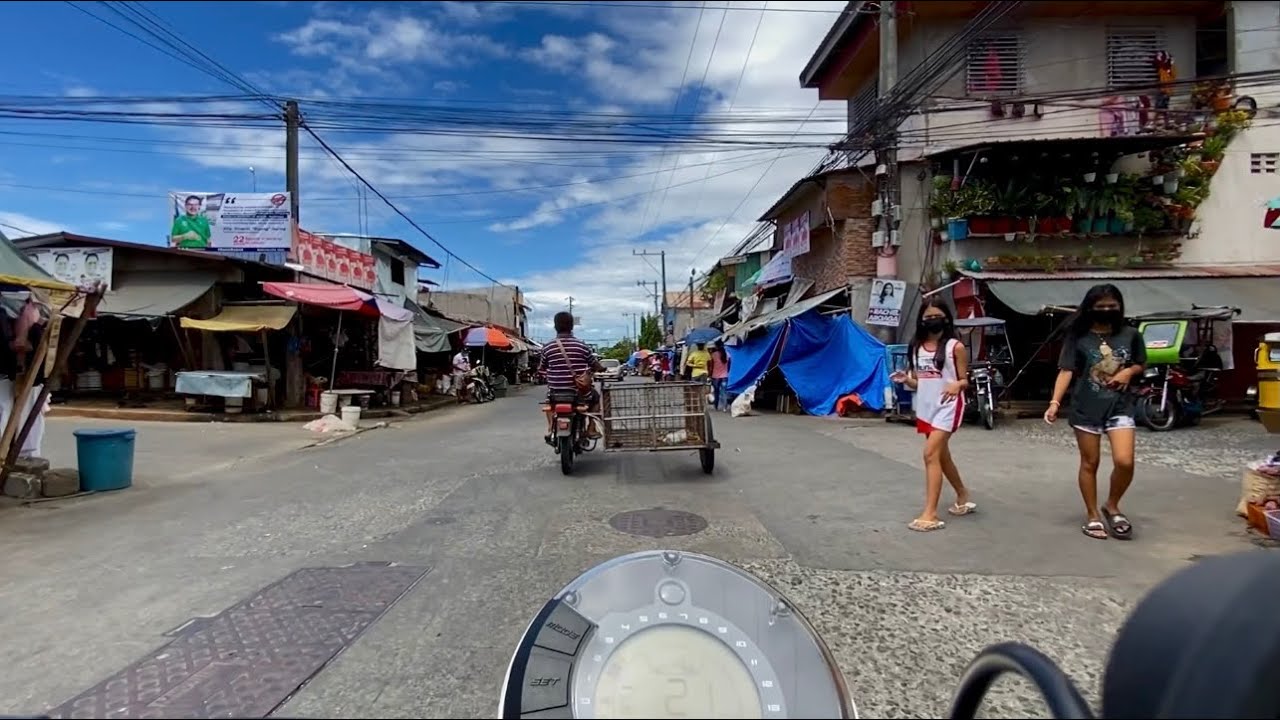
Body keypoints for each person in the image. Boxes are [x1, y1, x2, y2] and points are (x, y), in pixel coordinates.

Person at [1045, 283, 1146, 540]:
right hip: (1086, 408)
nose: (1107, 310)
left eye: (1112, 306)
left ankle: (1112, 505)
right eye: (1101, 306)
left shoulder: (1130, 334)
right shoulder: (1078, 337)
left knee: (1125, 461)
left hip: (1120, 406)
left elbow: (1140, 364)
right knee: (1090, 463)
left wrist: (1127, 371)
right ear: (1090, 308)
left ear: (1120, 307)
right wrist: (1055, 403)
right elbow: (1066, 370)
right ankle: (1092, 515)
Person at [890, 297, 976, 532]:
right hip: (926, 408)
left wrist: (957, 385)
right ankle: (962, 494)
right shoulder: (916, 348)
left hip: (948, 407)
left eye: (936, 316)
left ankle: (930, 513)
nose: (932, 321)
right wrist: (906, 379)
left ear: (946, 319)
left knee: (930, 454)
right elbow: (921, 382)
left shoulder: (954, 347)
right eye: (927, 317)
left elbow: (963, 380)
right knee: (940, 456)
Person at [540, 311, 605, 443]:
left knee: (549, 402)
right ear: (572, 327)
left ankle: (550, 428)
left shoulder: (547, 347)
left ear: (555, 327)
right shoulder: (582, 346)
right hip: (579, 393)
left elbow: (541, 368)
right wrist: (601, 369)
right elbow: (594, 364)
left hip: (555, 392)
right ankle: (591, 429)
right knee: (596, 399)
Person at [709, 341, 731, 411]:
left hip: (715, 376)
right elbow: (729, 365)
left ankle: (716, 406)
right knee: (724, 392)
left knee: (716, 391)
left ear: (716, 346)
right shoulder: (727, 354)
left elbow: (711, 366)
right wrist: (726, 371)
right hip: (724, 376)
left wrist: (710, 374)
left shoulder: (713, 355)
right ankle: (725, 407)